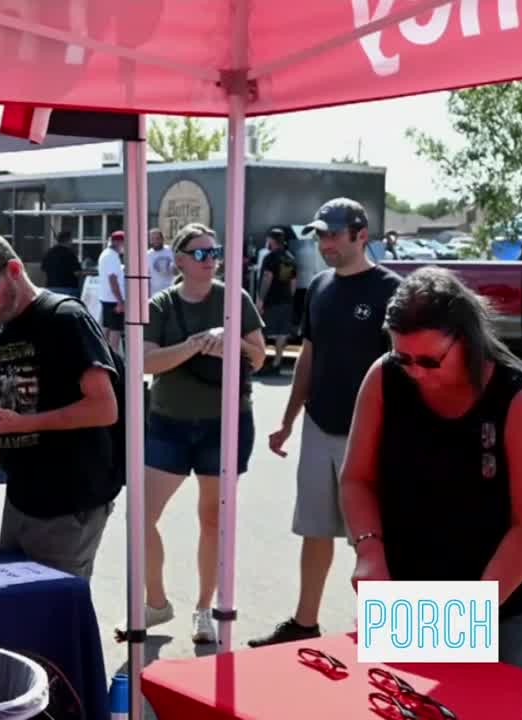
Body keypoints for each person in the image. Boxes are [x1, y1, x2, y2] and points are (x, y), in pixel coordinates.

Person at [340, 267, 522, 671]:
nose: (415, 372)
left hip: (503, 604)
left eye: (430, 360)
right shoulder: (384, 378)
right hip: (407, 590)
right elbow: (356, 479)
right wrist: (369, 552)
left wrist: (467, 618)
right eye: (404, 357)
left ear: (466, 338)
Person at [250, 197, 401, 647]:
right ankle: (304, 623)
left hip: (371, 433)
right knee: (315, 531)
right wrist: (288, 419)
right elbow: (309, 358)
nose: (326, 243)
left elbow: (406, 367)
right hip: (319, 424)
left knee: (372, 539)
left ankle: (387, 634)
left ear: (361, 235)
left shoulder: (392, 290)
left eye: (334, 234)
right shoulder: (318, 287)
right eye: (321, 234)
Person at [0, 231, 122, 579]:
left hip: (70, 503)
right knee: (17, 612)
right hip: (21, 500)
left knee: (51, 617)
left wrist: (23, 423)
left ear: (13, 269)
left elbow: (104, 408)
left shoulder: (64, 318)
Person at [142, 223, 267, 644]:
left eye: (214, 251)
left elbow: (259, 357)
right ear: (178, 261)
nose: (209, 258)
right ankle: (156, 603)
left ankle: (203, 609)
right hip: (169, 422)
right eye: (199, 253)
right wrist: (196, 343)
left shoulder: (235, 299)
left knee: (212, 518)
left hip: (224, 423)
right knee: (143, 516)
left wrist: (230, 339)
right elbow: (145, 362)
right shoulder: (160, 304)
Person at [255, 227, 299, 375]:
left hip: (271, 301)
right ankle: (277, 363)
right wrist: (288, 297)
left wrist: (260, 300)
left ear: (271, 240)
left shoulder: (270, 257)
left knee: (261, 332)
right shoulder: (290, 257)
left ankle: (259, 364)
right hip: (286, 301)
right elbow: (293, 282)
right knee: (282, 332)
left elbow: (267, 278)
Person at [97, 230, 127, 357]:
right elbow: (113, 280)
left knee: (107, 331)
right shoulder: (112, 256)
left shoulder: (107, 254)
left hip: (107, 298)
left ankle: (103, 357)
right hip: (113, 300)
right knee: (115, 333)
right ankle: (113, 361)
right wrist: (120, 301)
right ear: (118, 242)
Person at [40, 229, 83, 297]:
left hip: (51, 288)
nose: (72, 242)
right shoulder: (70, 253)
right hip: (68, 289)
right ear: (68, 240)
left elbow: (43, 271)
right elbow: (77, 272)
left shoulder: (49, 252)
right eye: (71, 240)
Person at [148, 228, 175, 295]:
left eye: (157, 238)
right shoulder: (147, 255)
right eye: (152, 239)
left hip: (171, 291)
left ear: (162, 239)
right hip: (155, 294)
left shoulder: (171, 251)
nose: (155, 241)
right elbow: (147, 277)